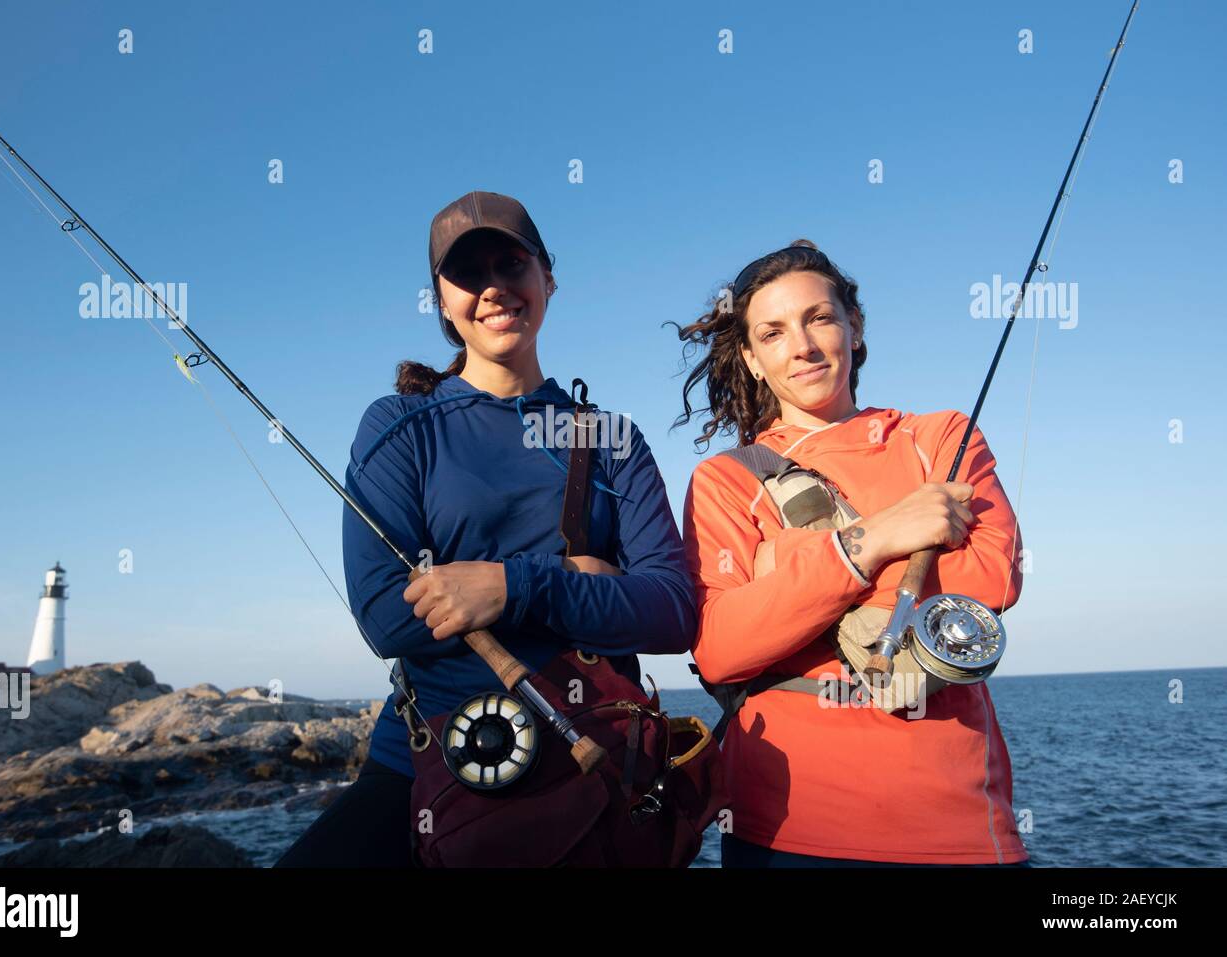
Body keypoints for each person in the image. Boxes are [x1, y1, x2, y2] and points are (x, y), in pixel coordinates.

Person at [275, 190, 696, 867]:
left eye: (512, 263)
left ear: (548, 277)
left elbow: (673, 612)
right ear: (441, 301)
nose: (495, 287)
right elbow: (388, 617)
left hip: (594, 758)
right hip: (427, 759)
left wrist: (511, 587)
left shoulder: (612, 438)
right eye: (470, 275)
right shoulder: (397, 424)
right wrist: (588, 584)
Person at [675, 239, 1029, 867]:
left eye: (819, 318)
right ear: (753, 360)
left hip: (960, 828)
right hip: (783, 828)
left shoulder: (941, 437)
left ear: (854, 327)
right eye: (774, 333)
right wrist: (885, 535)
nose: (803, 347)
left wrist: (786, 570)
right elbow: (722, 647)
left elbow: (991, 577)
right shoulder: (724, 480)